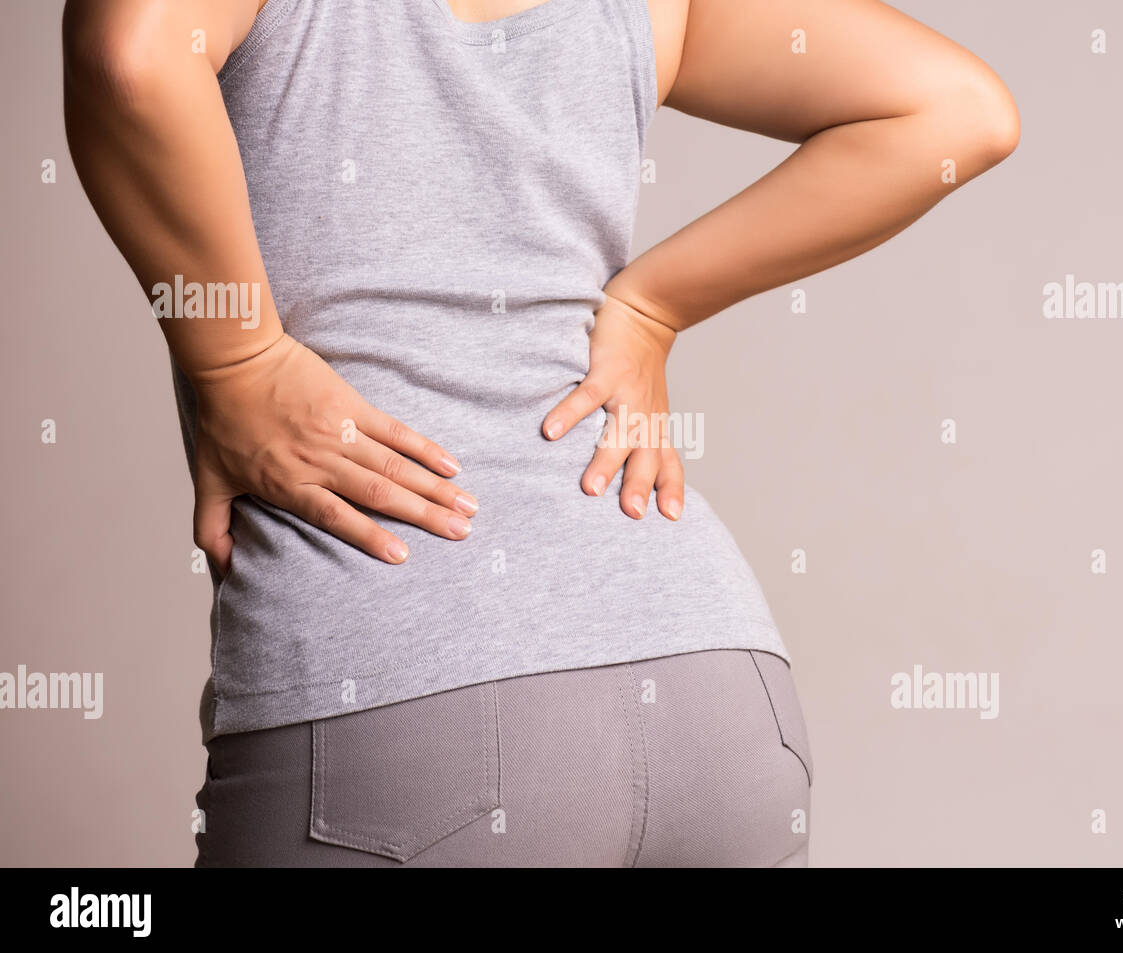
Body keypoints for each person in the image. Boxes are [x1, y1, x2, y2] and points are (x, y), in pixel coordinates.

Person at [62, 0, 1018, 866]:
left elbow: (131, 54)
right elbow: (961, 111)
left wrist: (240, 361)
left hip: (397, 699)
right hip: (713, 687)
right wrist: (651, 306)